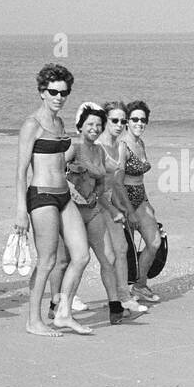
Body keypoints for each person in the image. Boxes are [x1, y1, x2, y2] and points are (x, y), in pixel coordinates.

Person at [14, 64, 92, 336]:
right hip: (42, 196)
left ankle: (63, 313)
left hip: (64, 195)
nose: (59, 97)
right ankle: (33, 320)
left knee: (81, 256)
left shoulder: (59, 123)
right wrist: (20, 212)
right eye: (54, 91)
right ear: (41, 92)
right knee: (47, 261)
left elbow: (63, 159)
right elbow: (21, 171)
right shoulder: (31, 125)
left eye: (64, 92)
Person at [49, 102, 134, 325]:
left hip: (93, 209)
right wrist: (65, 196)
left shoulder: (99, 150)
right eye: (90, 124)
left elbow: (102, 182)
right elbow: (55, 172)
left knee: (108, 257)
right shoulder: (73, 148)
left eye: (98, 125)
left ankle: (115, 307)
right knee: (65, 261)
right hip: (70, 211)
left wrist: (104, 201)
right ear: (81, 126)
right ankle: (57, 305)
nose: (95, 128)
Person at [97, 101, 148, 315]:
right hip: (92, 204)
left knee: (121, 249)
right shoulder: (96, 145)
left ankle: (123, 298)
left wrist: (126, 208)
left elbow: (117, 183)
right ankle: (61, 299)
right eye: (114, 120)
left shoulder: (120, 147)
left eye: (122, 121)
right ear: (105, 121)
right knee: (74, 257)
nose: (119, 125)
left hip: (110, 204)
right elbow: (86, 182)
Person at [116, 100, 163, 305]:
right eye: (134, 119)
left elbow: (139, 178)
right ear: (127, 121)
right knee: (126, 250)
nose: (139, 123)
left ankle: (140, 285)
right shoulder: (122, 145)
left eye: (143, 120)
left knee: (154, 242)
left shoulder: (140, 143)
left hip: (140, 196)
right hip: (122, 198)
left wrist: (145, 201)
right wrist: (129, 211)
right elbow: (117, 181)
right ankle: (122, 295)